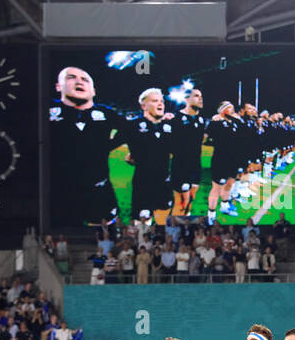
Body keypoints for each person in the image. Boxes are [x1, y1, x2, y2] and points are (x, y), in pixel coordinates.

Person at [50, 66, 123, 225]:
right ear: (58, 86)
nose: (79, 81)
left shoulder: (106, 113)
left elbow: (131, 131)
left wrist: (109, 146)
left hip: (98, 188)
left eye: (85, 79)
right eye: (71, 77)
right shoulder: (47, 110)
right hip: (59, 191)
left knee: (102, 232)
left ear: (93, 91)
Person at [123, 87, 176, 225]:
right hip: (143, 184)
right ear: (143, 106)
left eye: (161, 101)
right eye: (155, 101)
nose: (160, 104)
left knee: (163, 221)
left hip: (165, 182)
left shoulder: (169, 126)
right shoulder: (133, 126)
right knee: (142, 225)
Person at [171, 87, 207, 216]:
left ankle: (185, 219)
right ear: (187, 99)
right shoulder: (176, 118)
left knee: (191, 199)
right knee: (180, 203)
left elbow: (201, 139)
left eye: (201, 95)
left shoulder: (201, 120)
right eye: (197, 96)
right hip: (180, 167)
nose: (201, 98)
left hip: (196, 166)